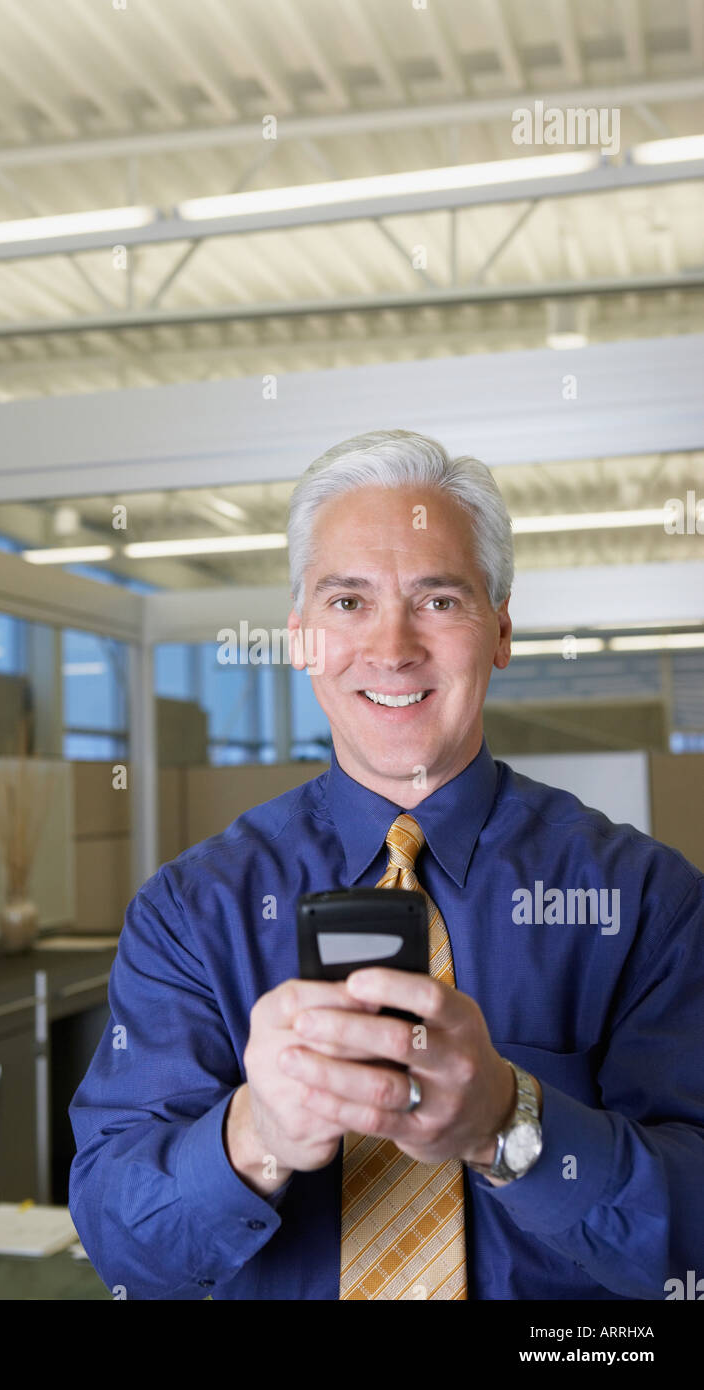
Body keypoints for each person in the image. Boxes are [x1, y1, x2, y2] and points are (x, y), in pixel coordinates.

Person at [68, 429, 704, 1300]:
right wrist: (252, 1136)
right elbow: (122, 1245)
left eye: (438, 601)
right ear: (300, 639)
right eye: (348, 602)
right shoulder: (191, 911)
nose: (393, 645)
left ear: (501, 632)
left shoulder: (644, 902)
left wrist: (511, 1124)